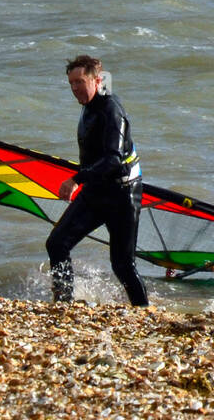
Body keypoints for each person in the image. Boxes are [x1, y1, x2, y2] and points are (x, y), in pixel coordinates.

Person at [46, 55, 149, 307]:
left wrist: (75, 179)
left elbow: (113, 159)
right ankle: (63, 304)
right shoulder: (88, 106)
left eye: (80, 82)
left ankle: (144, 310)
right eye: (71, 83)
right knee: (57, 243)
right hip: (95, 192)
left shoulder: (112, 109)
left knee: (123, 266)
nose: (75, 88)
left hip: (122, 195)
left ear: (97, 80)